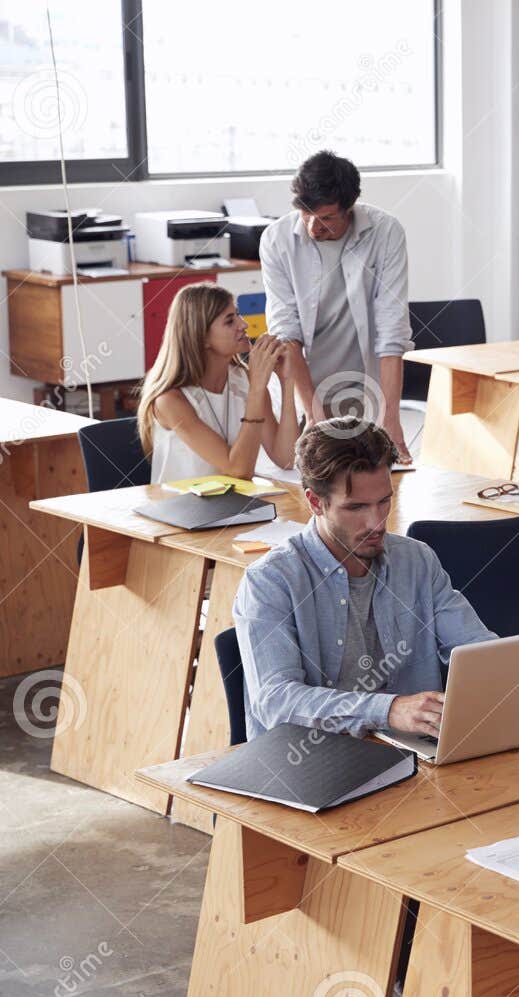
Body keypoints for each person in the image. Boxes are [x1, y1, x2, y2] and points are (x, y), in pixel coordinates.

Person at [232, 419, 494, 740]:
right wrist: (389, 709)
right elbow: (276, 702)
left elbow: (479, 652)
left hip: (411, 752)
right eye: (356, 507)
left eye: (384, 501)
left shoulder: (417, 560)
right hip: (310, 760)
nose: (376, 522)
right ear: (315, 502)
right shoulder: (270, 581)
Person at [260, 150, 415, 463]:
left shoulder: (385, 232)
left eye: (327, 219)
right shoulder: (276, 240)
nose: (314, 228)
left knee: (372, 486)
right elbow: (286, 333)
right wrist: (313, 414)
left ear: (350, 206)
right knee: (308, 483)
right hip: (305, 387)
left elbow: (391, 331)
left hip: (365, 387)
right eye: (307, 217)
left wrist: (391, 417)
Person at [137, 283, 299, 485]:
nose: (244, 324)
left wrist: (287, 381)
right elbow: (239, 471)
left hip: (233, 507)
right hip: (184, 510)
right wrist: (257, 389)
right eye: (230, 321)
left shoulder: (245, 380)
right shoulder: (170, 401)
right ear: (202, 336)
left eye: (238, 314)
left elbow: (287, 459)